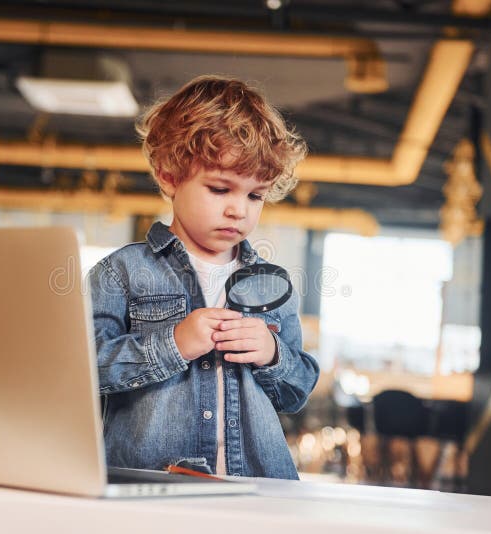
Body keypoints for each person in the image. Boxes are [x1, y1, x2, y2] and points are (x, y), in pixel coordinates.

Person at [88, 75, 320, 479]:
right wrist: (172, 344)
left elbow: (296, 390)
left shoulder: (272, 284)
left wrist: (272, 353)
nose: (239, 211)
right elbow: (84, 372)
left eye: (254, 195)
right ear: (169, 177)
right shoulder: (120, 273)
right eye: (219, 189)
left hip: (256, 488)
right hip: (147, 485)